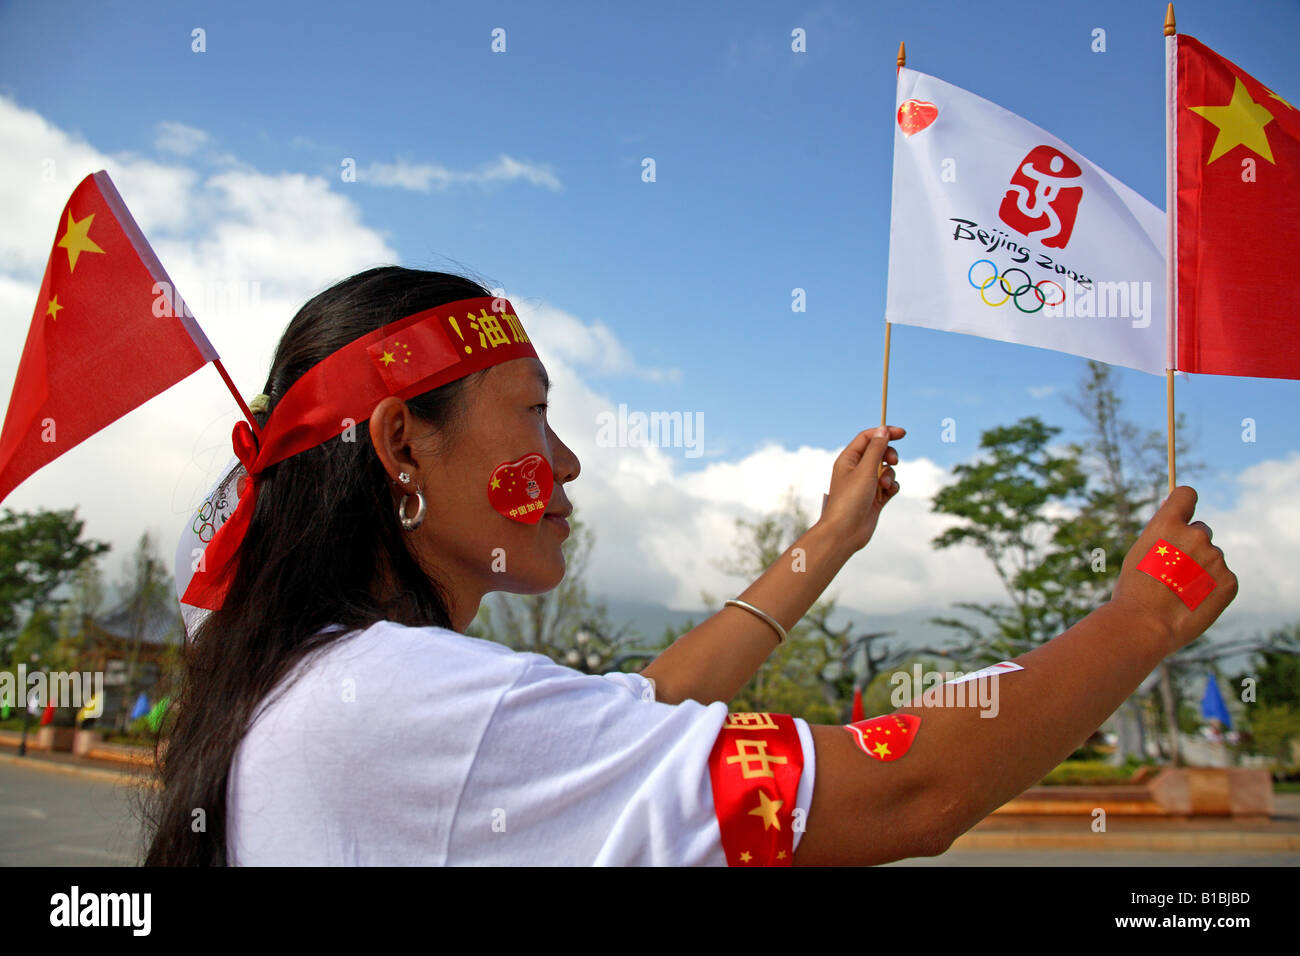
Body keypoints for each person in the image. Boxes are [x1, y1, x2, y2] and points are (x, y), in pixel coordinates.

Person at [144, 266, 1237, 866]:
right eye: (532, 415)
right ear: (400, 445)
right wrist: (1142, 617)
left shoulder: (313, 678)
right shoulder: (394, 698)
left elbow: (638, 706)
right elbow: (908, 789)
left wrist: (826, 541)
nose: (564, 462)